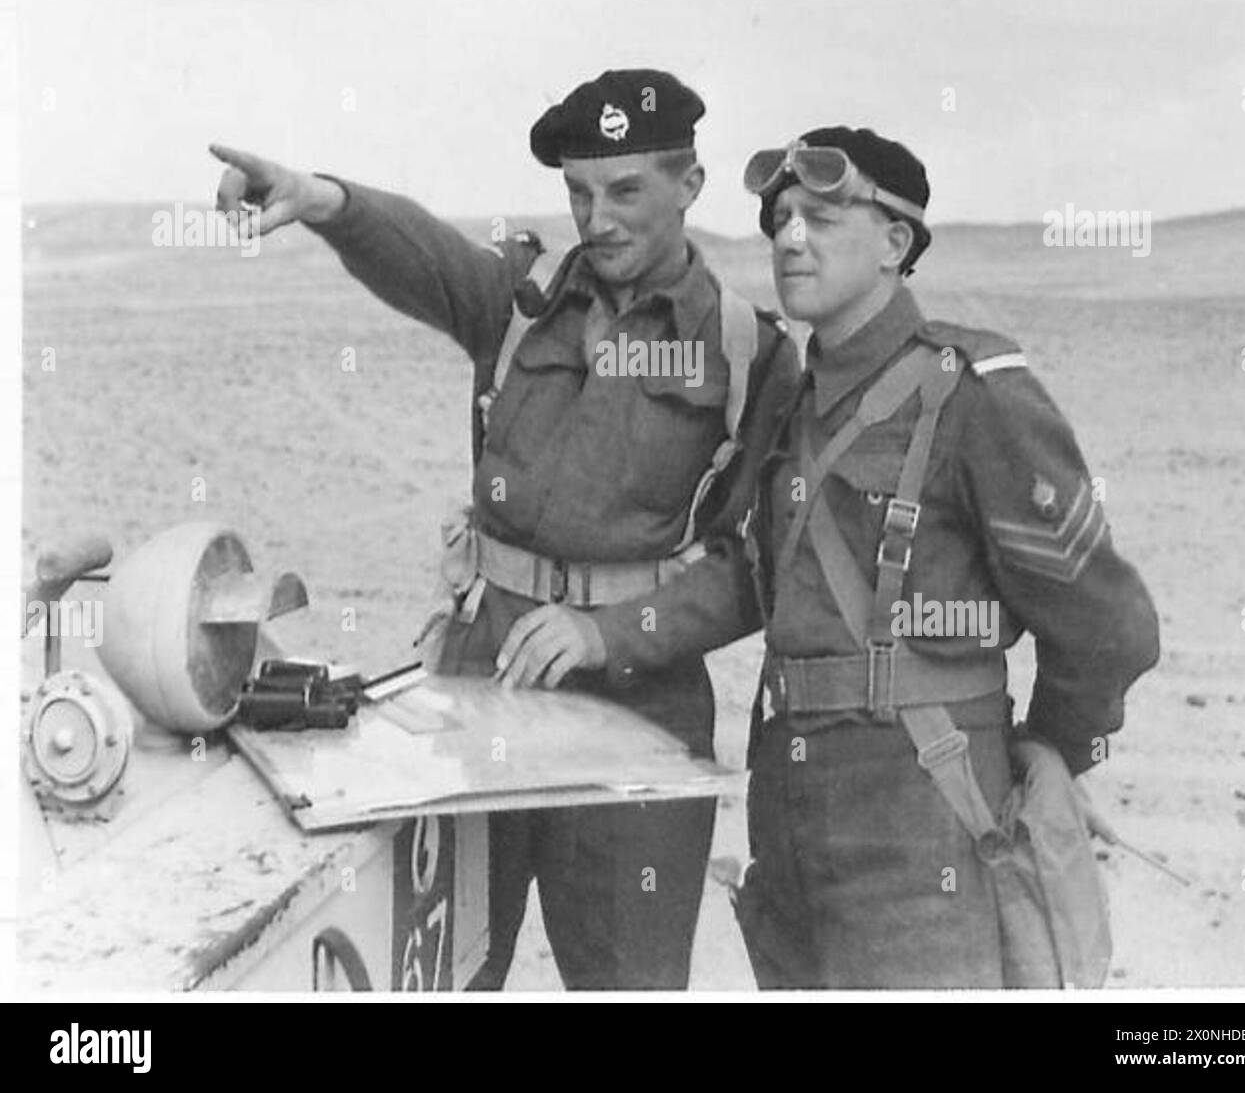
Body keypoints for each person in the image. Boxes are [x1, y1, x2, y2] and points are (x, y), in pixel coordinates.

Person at [208, 68, 801, 990]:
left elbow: (756, 564)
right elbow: (423, 255)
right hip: (478, 691)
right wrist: (324, 201)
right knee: (445, 966)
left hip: (634, 715)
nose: (597, 219)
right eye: (578, 193)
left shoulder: (746, 351)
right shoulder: (519, 306)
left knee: (627, 982)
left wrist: (605, 634)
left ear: (690, 186)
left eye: (625, 192)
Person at [585, 124, 1160, 988]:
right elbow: (754, 575)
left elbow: (1110, 622)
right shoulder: (791, 397)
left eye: (820, 216)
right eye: (779, 218)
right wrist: (605, 635)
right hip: (788, 800)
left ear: (896, 242)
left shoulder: (970, 395)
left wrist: (1052, 750)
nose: (788, 237)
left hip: (921, 813)